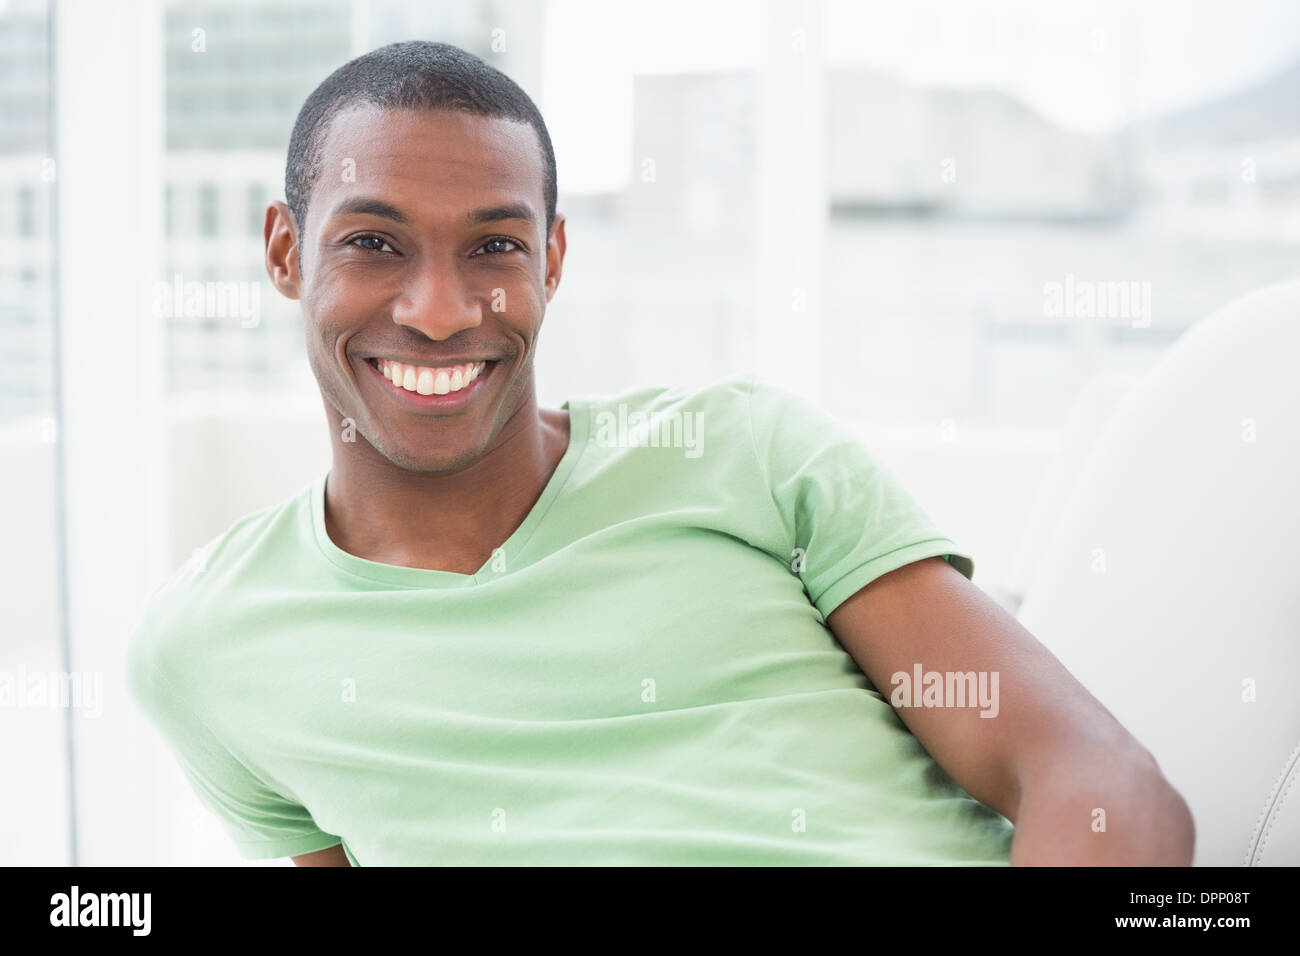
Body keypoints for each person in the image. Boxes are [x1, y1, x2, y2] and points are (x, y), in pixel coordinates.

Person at [126, 41, 1194, 867]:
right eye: (373, 243)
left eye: (494, 246)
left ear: (550, 257)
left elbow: (1101, 785)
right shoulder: (207, 649)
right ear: (282, 250)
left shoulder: (747, 453)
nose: (441, 311)